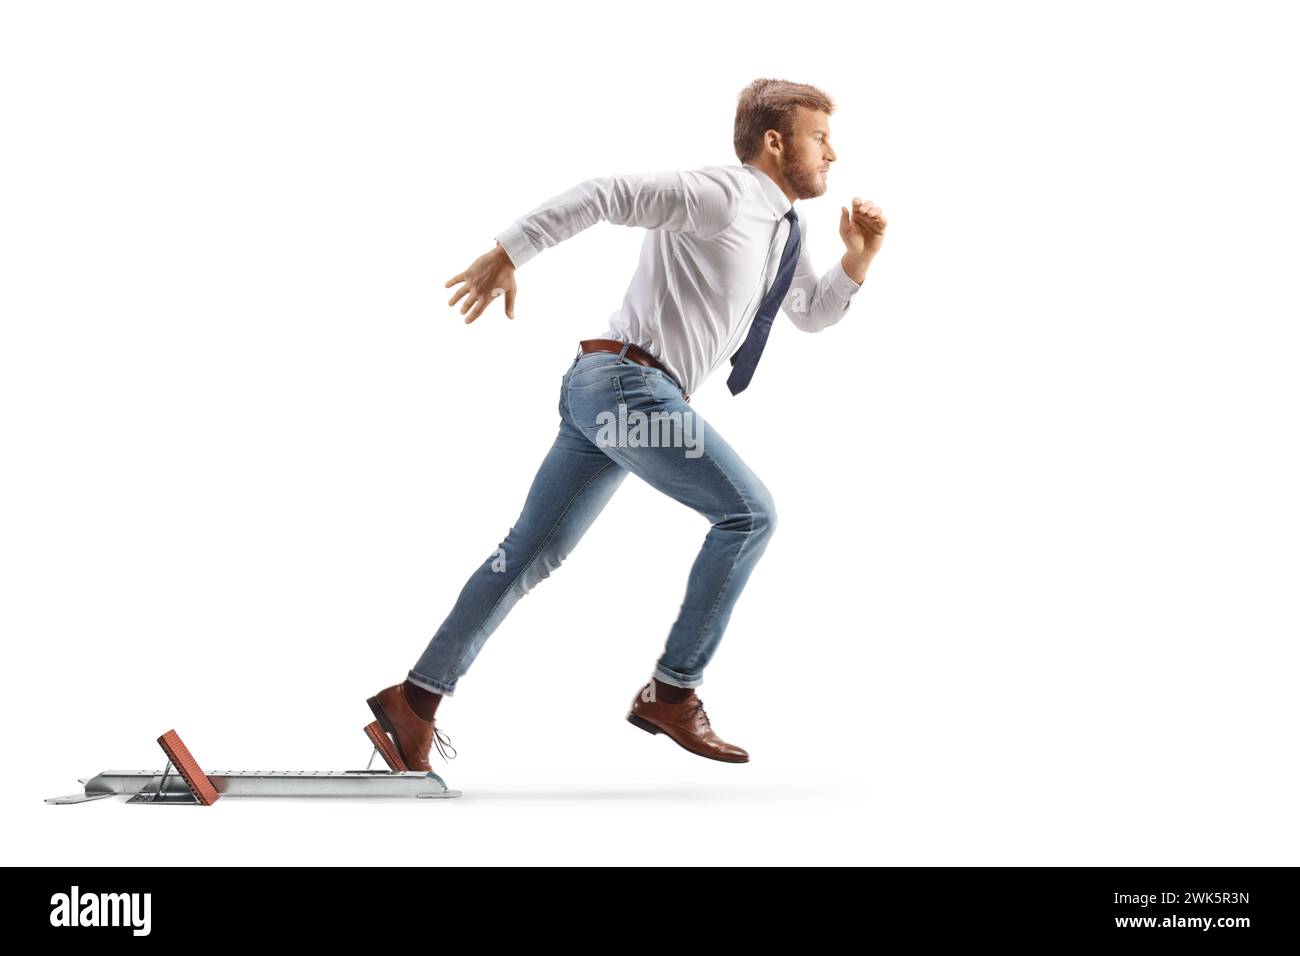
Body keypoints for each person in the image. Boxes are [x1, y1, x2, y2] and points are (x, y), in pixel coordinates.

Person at [367, 78, 888, 769]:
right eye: (819, 136)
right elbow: (605, 193)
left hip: (610, 395)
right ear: (775, 141)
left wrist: (858, 260)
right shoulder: (721, 194)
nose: (832, 153)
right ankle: (673, 693)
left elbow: (811, 313)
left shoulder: (782, 232)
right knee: (748, 514)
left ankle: (415, 702)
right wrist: (509, 250)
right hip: (629, 391)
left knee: (531, 551)